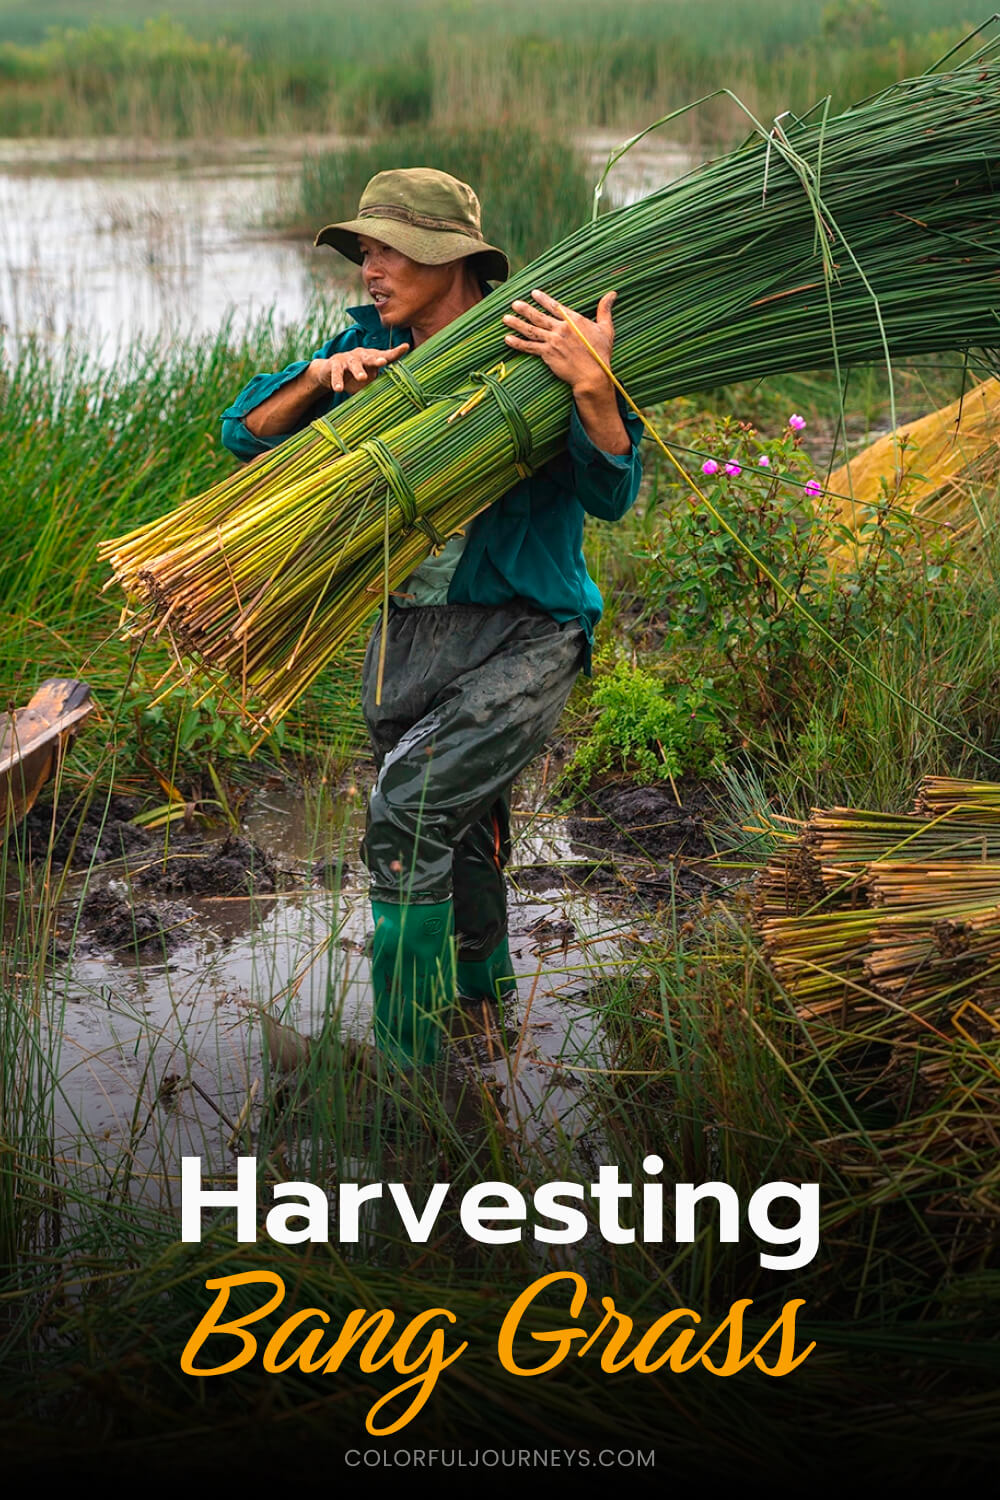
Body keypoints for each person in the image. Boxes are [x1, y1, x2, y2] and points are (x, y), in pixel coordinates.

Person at [221, 168, 642, 1072]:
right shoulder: (370, 345)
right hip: (409, 637)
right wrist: (321, 378)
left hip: (526, 632)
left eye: (386, 249)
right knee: (462, 825)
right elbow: (243, 434)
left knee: (407, 814)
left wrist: (595, 390)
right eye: (363, 250)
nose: (369, 268)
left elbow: (612, 490)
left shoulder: (534, 340)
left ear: (448, 256)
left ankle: (412, 1065)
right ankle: (483, 1019)